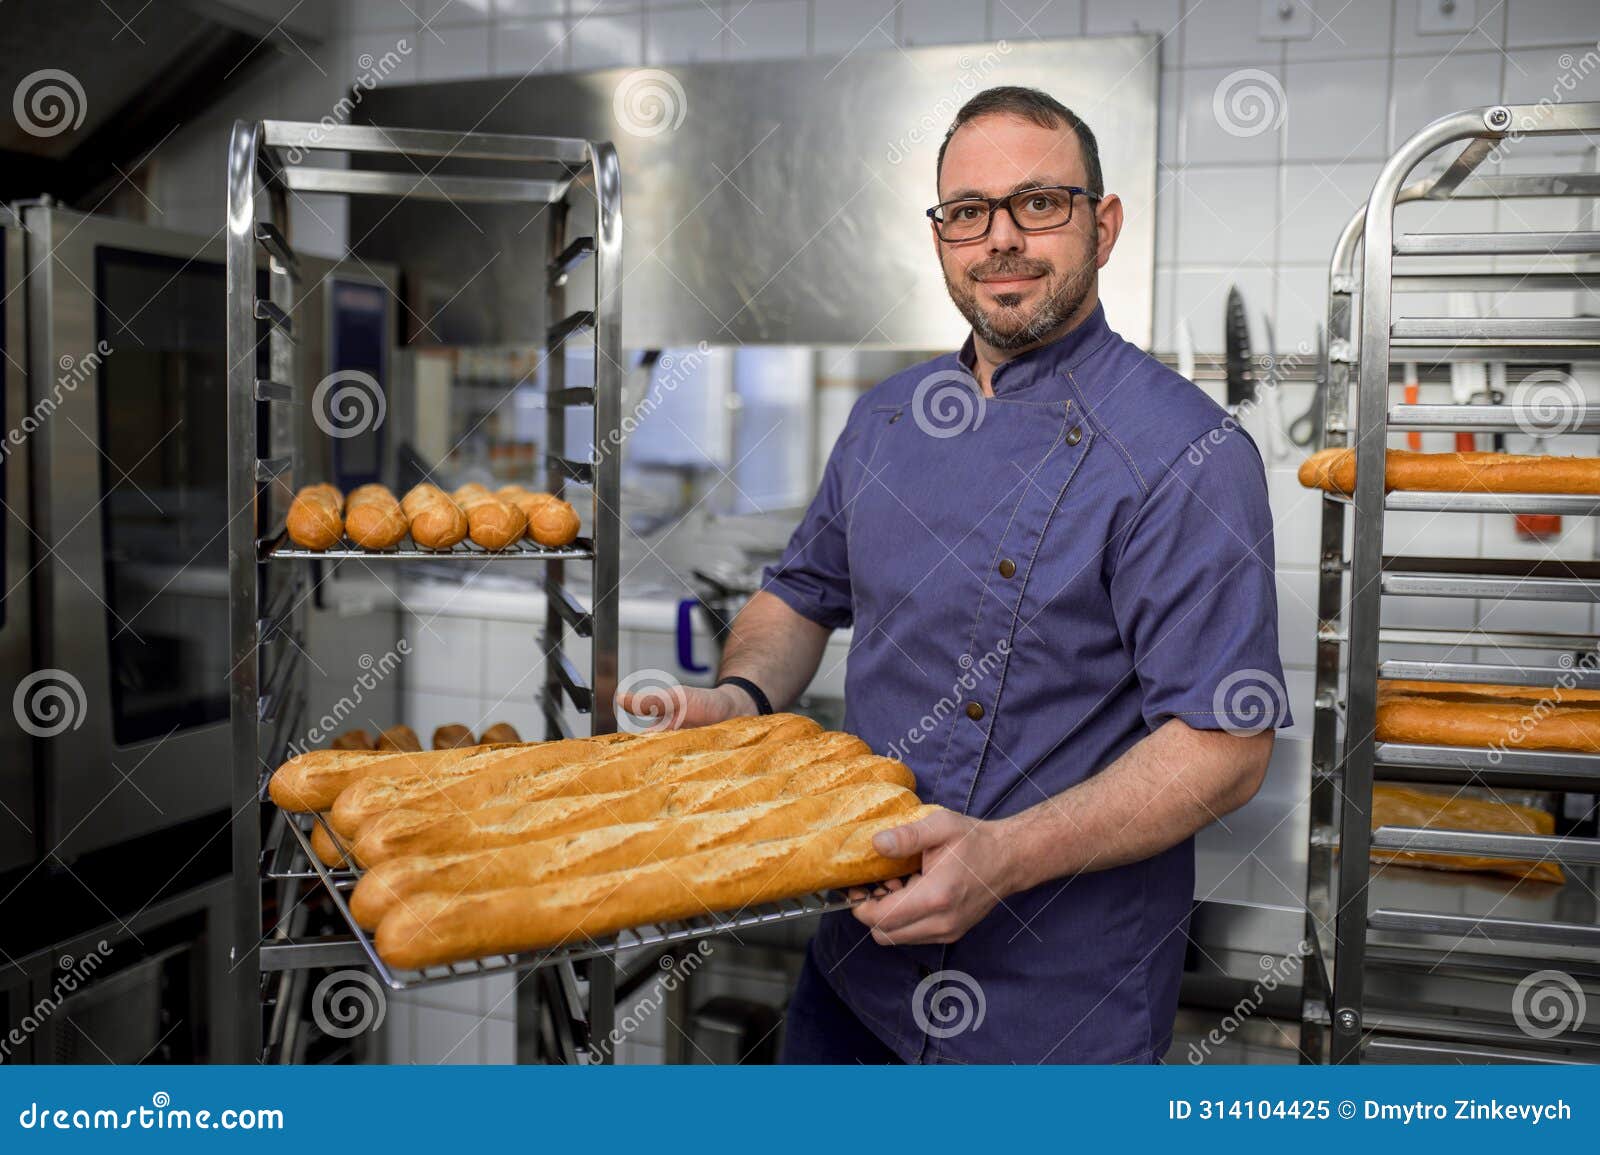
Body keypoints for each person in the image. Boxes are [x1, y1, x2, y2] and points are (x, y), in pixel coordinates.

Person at [620, 85, 1290, 1064]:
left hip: (1052, 1010)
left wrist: (1002, 856)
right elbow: (800, 594)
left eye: (1039, 203)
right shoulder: (888, 418)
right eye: (967, 213)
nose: (1000, 240)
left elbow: (1224, 745)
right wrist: (739, 693)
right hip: (856, 969)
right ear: (940, 236)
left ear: (1102, 225)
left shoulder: (1184, 452)